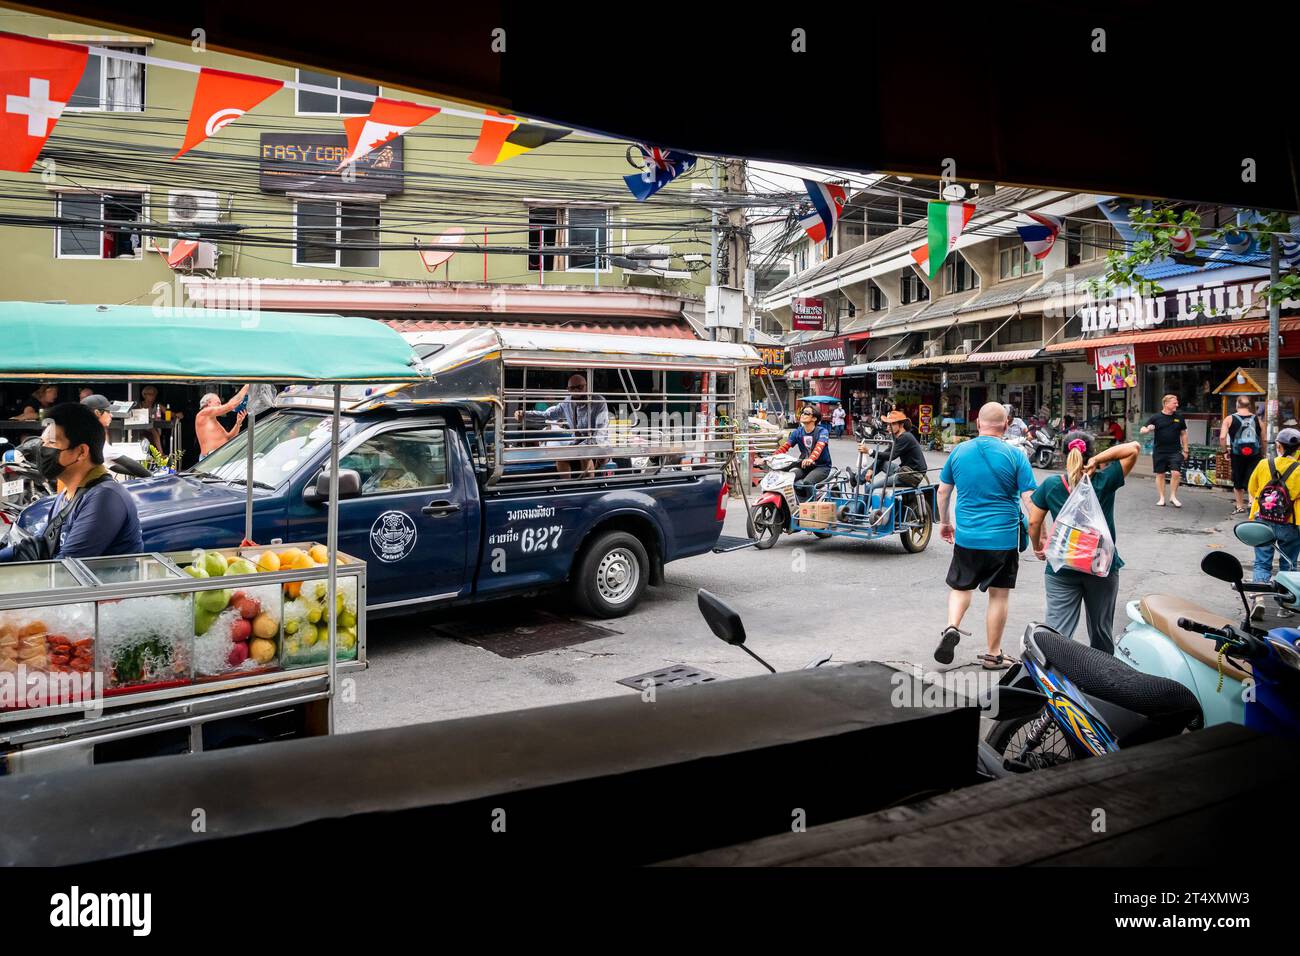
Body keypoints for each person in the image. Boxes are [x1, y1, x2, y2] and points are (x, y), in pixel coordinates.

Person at [933, 402, 1037, 670]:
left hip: (967, 536)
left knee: (960, 587)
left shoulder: (959, 452)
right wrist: (1040, 535)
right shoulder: (1016, 455)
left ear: (978, 424)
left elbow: (942, 492)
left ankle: (952, 626)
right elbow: (1030, 501)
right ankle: (993, 655)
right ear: (1005, 425)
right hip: (1002, 539)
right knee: (999, 596)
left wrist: (945, 522)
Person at [1028, 432, 1140, 654]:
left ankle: (1052, 676)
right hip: (1101, 565)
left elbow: (1033, 521)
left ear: (1063, 454)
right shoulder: (1104, 481)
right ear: (1090, 453)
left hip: (1062, 565)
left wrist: (1038, 546)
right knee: (1101, 630)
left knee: (1056, 631)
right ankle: (1101, 679)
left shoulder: (1051, 484)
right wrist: (1098, 461)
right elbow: (1134, 447)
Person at [0, 404, 143, 563]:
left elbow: (67, 568)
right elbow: (42, 546)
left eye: (52, 443)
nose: (42, 449)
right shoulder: (67, 495)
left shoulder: (106, 497)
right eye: (43, 442)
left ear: (81, 452)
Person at [515, 374, 610, 478]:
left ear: (586, 386)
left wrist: (579, 447)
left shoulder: (599, 402)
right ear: (568, 389)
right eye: (573, 388)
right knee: (561, 458)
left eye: (580, 387)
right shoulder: (567, 403)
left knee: (584, 453)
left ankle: (588, 485)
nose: (577, 391)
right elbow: (548, 415)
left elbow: (600, 434)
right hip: (577, 445)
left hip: (597, 445)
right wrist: (524, 414)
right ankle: (567, 486)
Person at [1246, 427, 1300, 591]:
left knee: (1262, 562)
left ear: (1278, 445)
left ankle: (1259, 597)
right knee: (1289, 563)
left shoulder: (1264, 464)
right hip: (1290, 522)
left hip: (1263, 520)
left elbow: (1252, 488)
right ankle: (1286, 604)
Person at [1139, 393, 1188, 508]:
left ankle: (1173, 496)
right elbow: (1142, 429)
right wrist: (1147, 430)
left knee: (1176, 473)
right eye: (1174, 402)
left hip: (1175, 450)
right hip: (1159, 450)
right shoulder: (1155, 417)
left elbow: (1184, 434)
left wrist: (1185, 449)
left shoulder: (1179, 417)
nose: (1177, 404)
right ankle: (1161, 498)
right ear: (1166, 404)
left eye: (1177, 402)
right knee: (1160, 474)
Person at [773, 406, 832, 499]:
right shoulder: (797, 432)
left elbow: (819, 447)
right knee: (787, 478)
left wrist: (811, 459)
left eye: (807, 413)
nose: (803, 415)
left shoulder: (822, 431)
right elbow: (785, 447)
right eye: (802, 412)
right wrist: (770, 458)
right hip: (804, 465)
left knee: (807, 482)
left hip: (821, 467)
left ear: (814, 418)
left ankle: (812, 505)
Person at [1220, 396, 1265, 516]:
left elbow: (1222, 437)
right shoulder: (1258, 419)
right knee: (1252, 477)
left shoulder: (1229, 419)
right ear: (1249, 405)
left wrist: (1225, 451)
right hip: (1255, 453)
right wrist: (1263, 453)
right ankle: (1252, 503)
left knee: (1238, 478)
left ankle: (1240, 506)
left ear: (1237, 405)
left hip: (1237, 453)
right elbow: (1264, 438)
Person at [195, 386, 249, 458]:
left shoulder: (214, 420)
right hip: (210, 458)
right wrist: (246, 388)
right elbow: (230, 406)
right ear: (209, 403)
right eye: (218, 403)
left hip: (219, 457)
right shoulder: (203, 413)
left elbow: (229, 438)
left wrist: (238, 423)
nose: (220, 406)